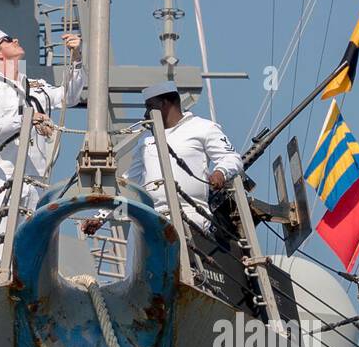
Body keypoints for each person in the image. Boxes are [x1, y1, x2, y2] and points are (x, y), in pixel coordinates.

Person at [82, 81, 242, 235]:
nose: (145, 114)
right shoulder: (145, 142)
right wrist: (100, 218)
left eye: (150, 107)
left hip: (189, 215)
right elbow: (129, 185)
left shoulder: (203, 128)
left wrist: (220, 172)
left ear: (165, 104)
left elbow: (232, 158)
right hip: (150, 218)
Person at [0, 28, 85, 218]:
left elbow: (69, 97)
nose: (15, 39)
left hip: (36, 179)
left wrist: (77, 58)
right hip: (4, 178)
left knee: (32, 243)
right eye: (8, 40)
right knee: (2, 244)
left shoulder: (36, 85)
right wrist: (28, 118)